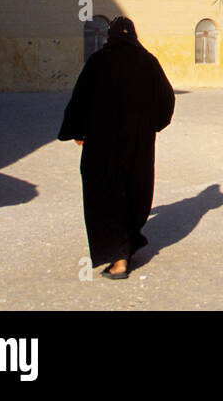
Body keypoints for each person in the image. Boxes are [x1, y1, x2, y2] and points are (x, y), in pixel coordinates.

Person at [58, 16, 175, 280]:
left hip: (102, 145)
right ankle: (126, 247)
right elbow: (167, 99)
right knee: (132, 191)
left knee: (104, 194)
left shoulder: (98, 62)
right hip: (138, 146)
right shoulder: (149, 62)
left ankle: (119, 258)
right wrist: (151, 126)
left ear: (110, 35)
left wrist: (78, 131)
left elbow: (81, 99)